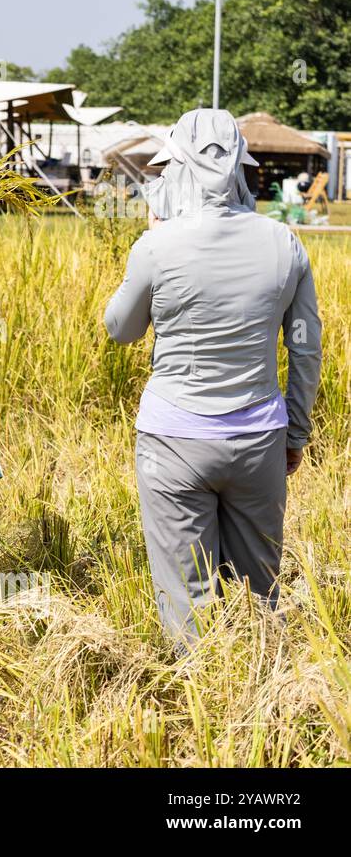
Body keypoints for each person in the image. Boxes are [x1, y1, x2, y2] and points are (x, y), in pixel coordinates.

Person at [104, 108, 322, 649]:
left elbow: (121, 329)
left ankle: (202, 699)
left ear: (176, 169)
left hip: (173, 440)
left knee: (186, 599)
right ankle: (267, 701)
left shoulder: (158, 245)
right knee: (259, 595)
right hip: (258, 440)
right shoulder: (284, 243)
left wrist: (148, 249)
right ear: (240, 169)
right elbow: (305, 348)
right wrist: (294, 435)